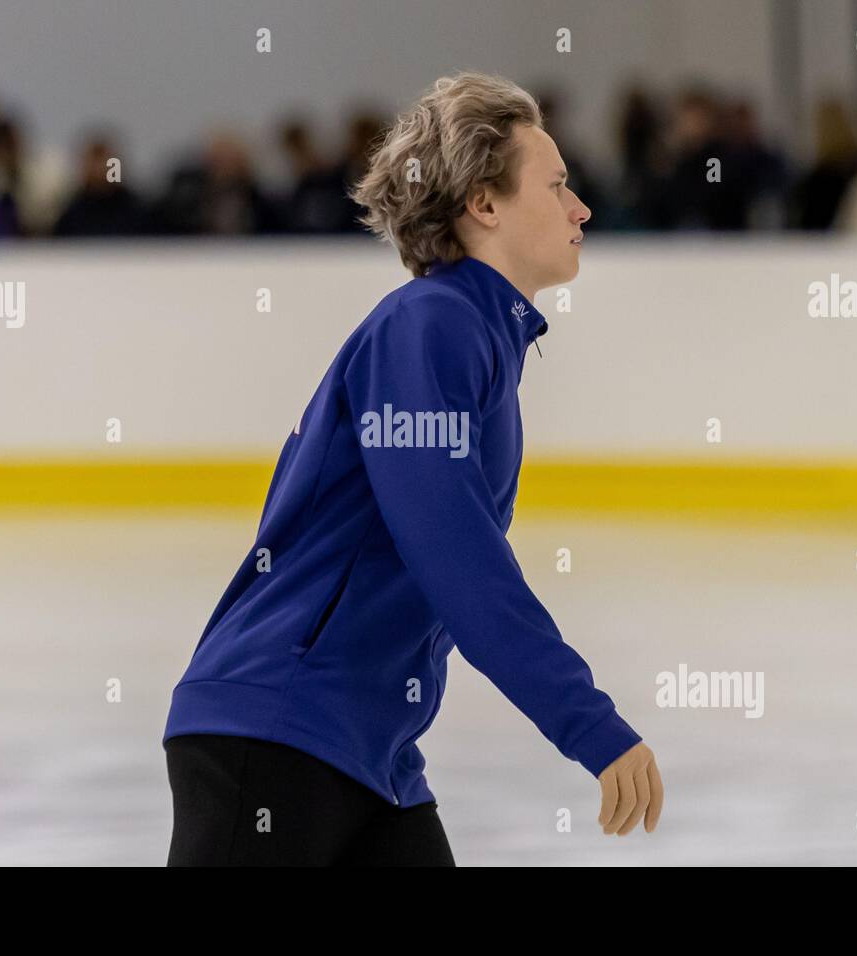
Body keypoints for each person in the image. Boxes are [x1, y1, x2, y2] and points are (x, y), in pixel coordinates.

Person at [163, 71, 664, 867]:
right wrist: (589, 723)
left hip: (372, 762)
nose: (582, 208)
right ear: (485, 205)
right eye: (560, 186)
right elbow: (456, 558)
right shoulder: (431, 327)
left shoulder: (479, 336)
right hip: (277, 737)